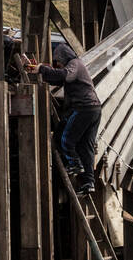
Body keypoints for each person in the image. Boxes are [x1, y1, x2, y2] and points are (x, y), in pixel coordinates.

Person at [38, 42, 101, 196]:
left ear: (63, 56)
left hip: (84, 108)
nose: (57, 64)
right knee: (85, 147)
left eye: (58, 60)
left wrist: (41, 68)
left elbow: (63, 75)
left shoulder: (74, 64)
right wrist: (42, 72)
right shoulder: (74, 66)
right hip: (94, 109)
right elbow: (59, 79)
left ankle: (74, 164)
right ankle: (88, 182)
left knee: (66, 139)